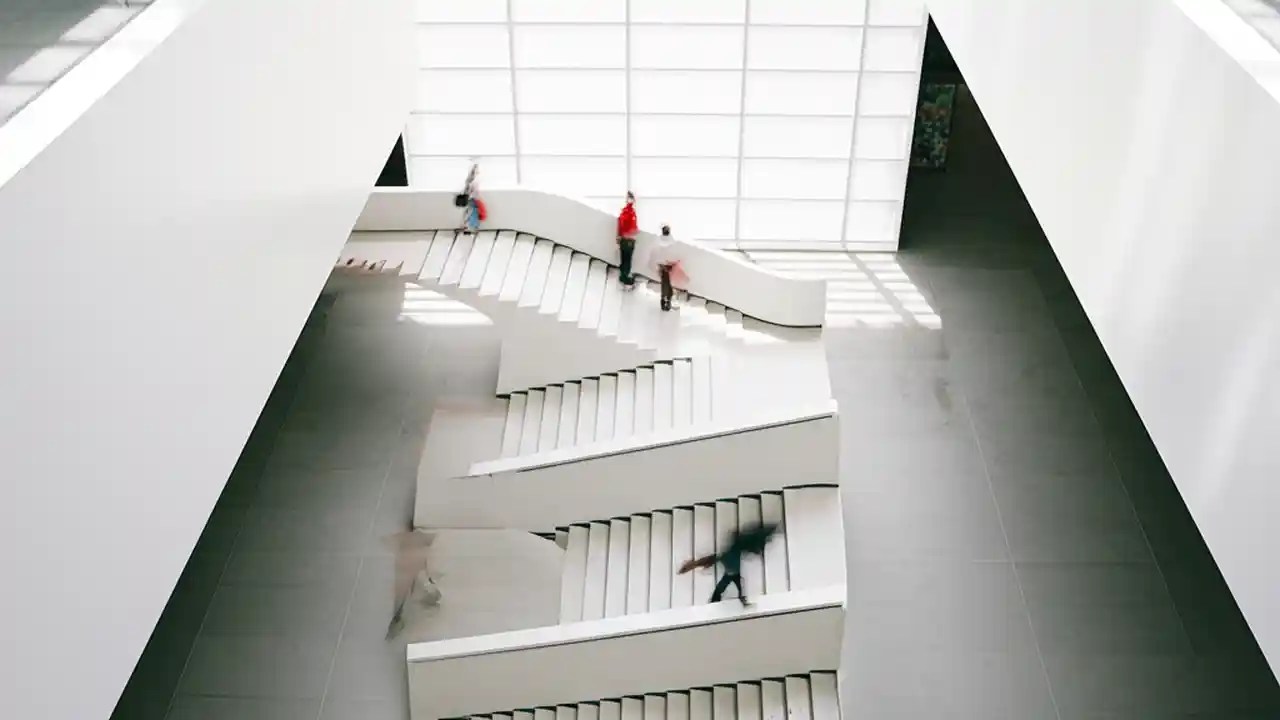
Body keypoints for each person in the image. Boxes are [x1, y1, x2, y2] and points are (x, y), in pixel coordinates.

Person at [678, 522, 779, 606]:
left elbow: (712, 559)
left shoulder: (730, 553)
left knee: (726, 587)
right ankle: (737, 601)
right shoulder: (732, 552)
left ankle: (718, 601)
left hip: (732, 573)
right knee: (732, 587)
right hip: (733, 573)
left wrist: (695, 565)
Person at [651, 224, 687, 312]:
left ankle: (665, 302)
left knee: (665, 285)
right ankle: (667, 302)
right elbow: (674, 254)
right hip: (669, 266)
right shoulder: (671, 241)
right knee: (669, 285)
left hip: (662, 266)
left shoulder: (659, 240)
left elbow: (655, 254)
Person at [617, 192, 639, 288]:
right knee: (627, 260)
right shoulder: (629, 213)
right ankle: (625, 278)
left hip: (624, 239)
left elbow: (621, 225)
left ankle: (623, 275)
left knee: (624, 259)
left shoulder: (625, 212)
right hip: (628, 240)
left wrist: (619, 236)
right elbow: (628, 226)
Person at [460, 162, 482, 234]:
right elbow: (475, 191)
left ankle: (466, 226)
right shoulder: (474, 181)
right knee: (474, 212)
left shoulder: (468, 180)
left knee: (468, 212)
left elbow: (467, 189)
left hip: (469, 198)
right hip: (473, 198)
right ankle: (471, 227)